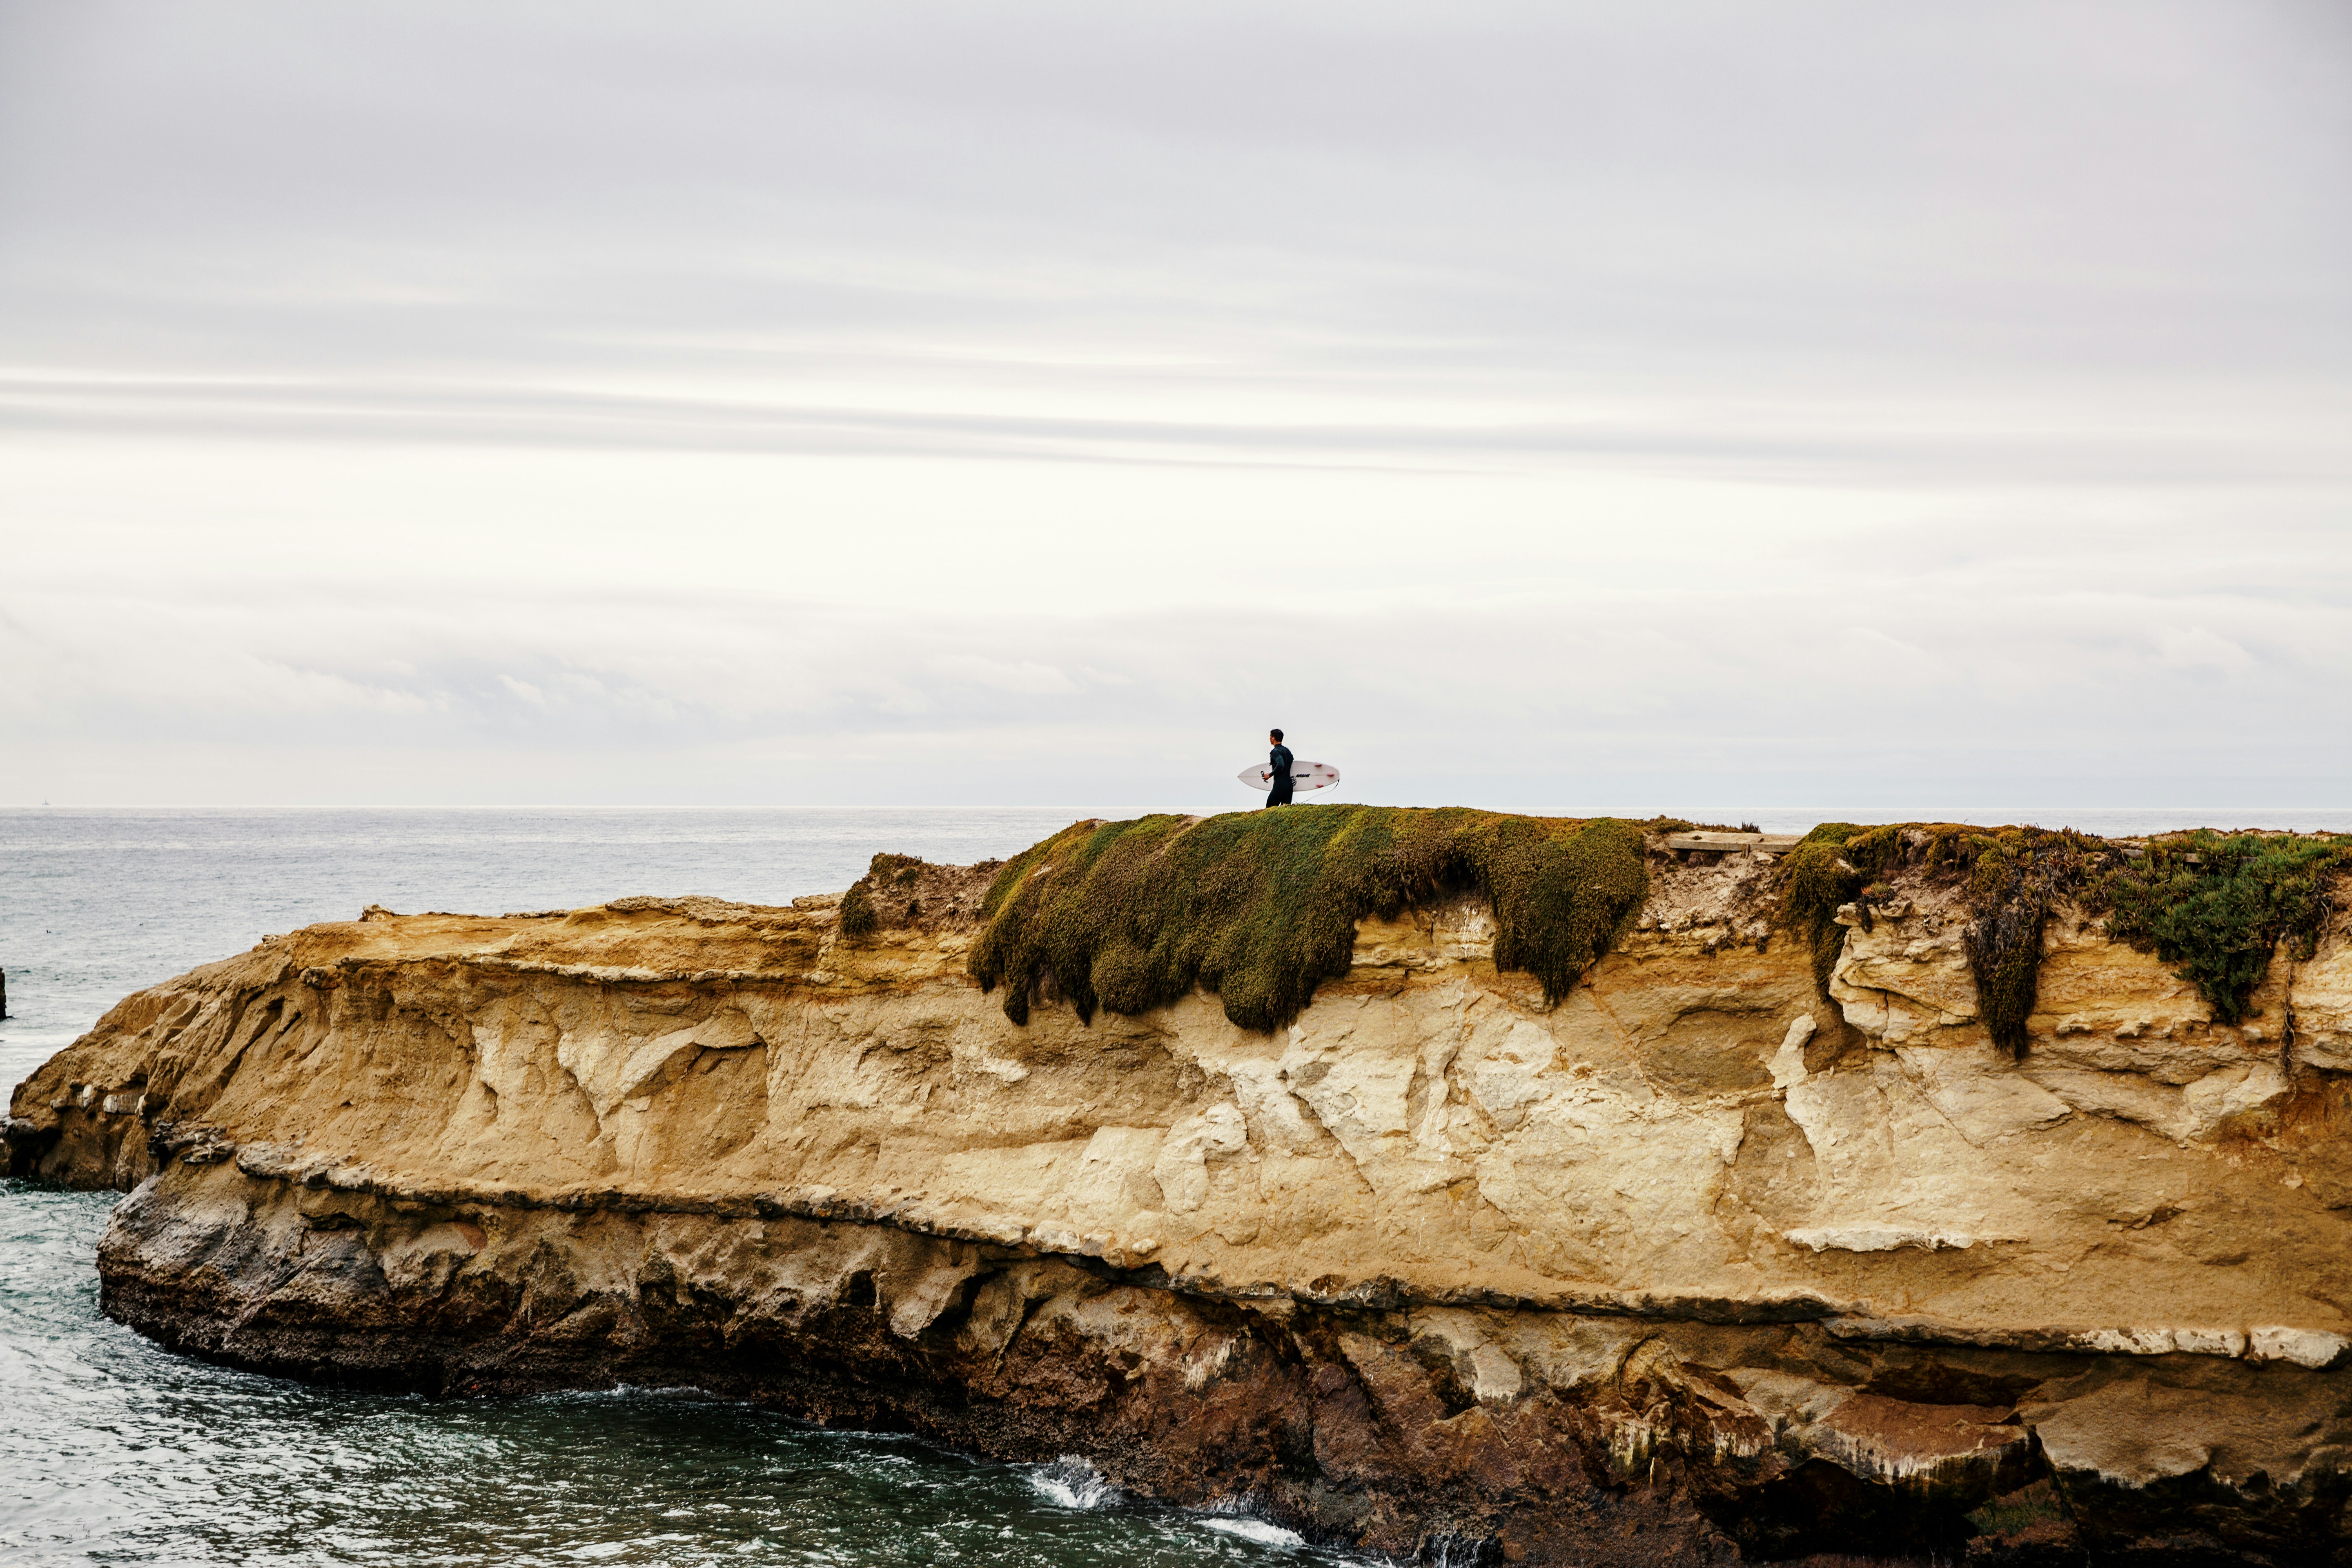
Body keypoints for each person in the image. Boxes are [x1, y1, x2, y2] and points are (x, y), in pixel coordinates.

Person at [1263, 728, 1295, 808]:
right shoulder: (1288, 751)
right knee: (1285, 812)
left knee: (1269, 810)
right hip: (1289, 786)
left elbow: (1281, 764)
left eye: (1270, 736)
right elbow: (1291, 761)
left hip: (1280, 785)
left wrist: (1270, 775)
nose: (1270, 739)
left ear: (1273, 739)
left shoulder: (1275, 752)